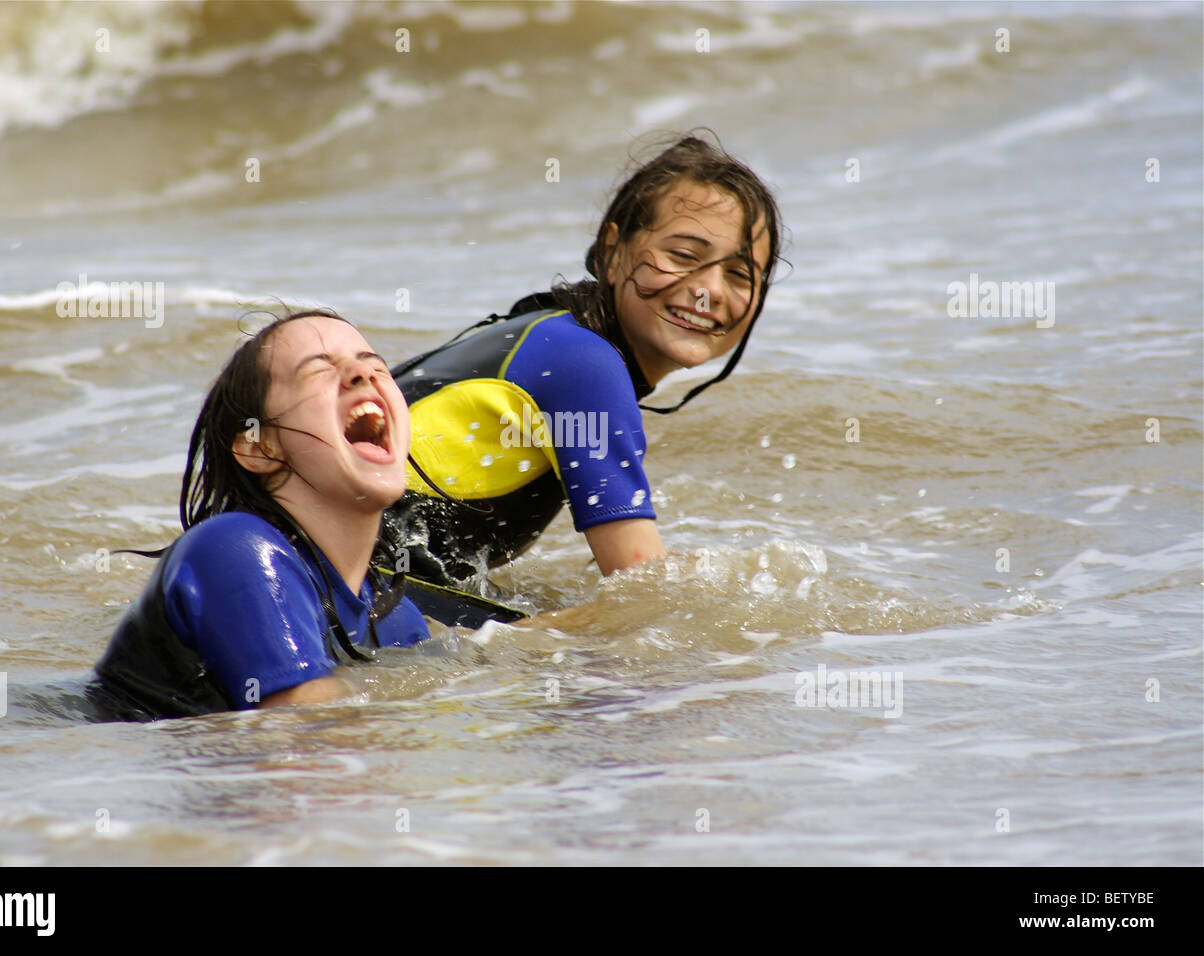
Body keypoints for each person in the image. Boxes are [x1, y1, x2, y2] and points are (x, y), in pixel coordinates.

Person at [385, 133, 783, 589]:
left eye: (739, 275)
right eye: (684, 255)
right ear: (613, 252)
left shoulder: (554, 335)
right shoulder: (585, 364)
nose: (709, 289)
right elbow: (643, 594)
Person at [88, 309, 433, 721]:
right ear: (260, 447)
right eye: (320, 370)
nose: (363, 374)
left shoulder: (394, 616)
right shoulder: (235, 549)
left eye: (375, 365)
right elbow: (307, 733)